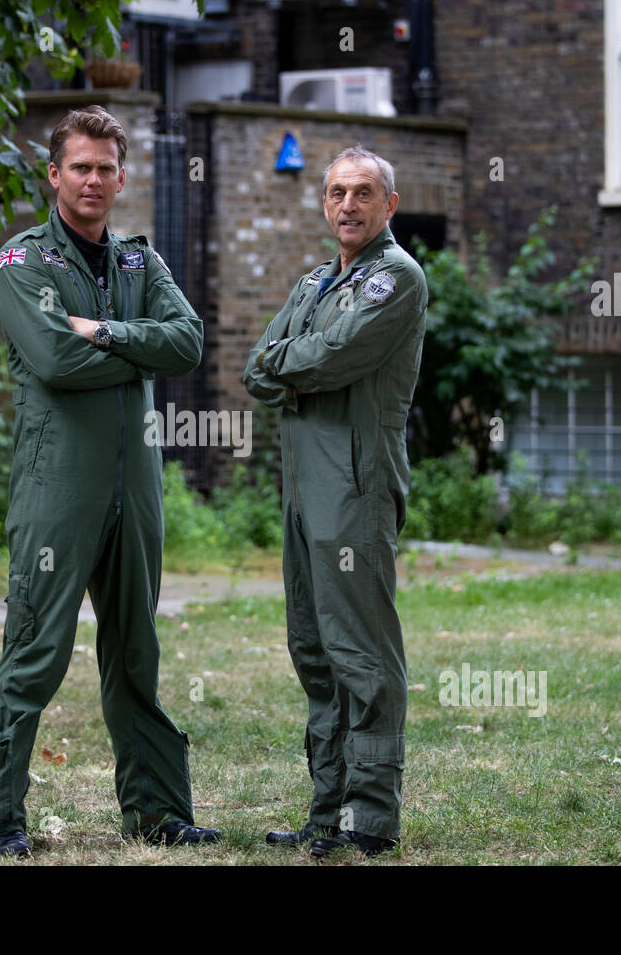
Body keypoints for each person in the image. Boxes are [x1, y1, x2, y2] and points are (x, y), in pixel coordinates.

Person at [0, 105, 220, 857]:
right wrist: (134, 349)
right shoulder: (24, 262)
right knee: (36, 649)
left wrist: (105, 331)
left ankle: (156, 811)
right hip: (59, 489)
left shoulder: (141, 262)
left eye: (106, 168)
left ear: (121, 176)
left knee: (136, 652)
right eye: (78, 166)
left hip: (135, 488)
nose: (92, 179)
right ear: (53, 175)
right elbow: (53, 360)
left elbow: (188, 344)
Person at [242, 146, 428, 859]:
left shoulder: (397, 278)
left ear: (390, 203)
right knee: (314, 652)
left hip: (354, 488)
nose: (347, 205)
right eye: (336, 193)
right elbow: (256, 366)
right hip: (301, 493)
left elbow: (329, 358)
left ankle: (371, 818)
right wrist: (291, 358)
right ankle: (326, 814)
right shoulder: (318, 281)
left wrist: (290, 359)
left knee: (361, 655)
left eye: (362, 192)